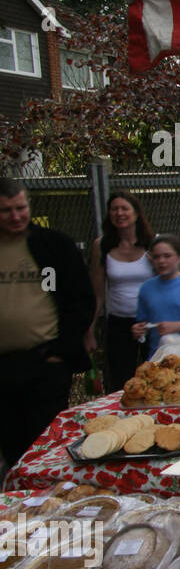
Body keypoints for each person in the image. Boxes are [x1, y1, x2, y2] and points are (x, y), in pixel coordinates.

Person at [0, 177, 94, 474]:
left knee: (46, 445)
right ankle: (18, 508)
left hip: (45, 362)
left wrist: (60, 352)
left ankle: (51, 500)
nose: (16, 216)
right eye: (6, 211)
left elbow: (81, 299)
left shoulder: (53, 245)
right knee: (12, 445)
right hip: (4, 366)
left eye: (21, 208)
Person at [89, 191, 155, 392]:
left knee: (155, 376)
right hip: (119, 322)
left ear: (136, 213)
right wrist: (90, 330)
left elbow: (170, 281)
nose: (119, 213)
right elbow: (98, 293)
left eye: (124, 208)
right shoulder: (101, 246)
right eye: (114, 209)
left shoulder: (153, 243)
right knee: (120, 382)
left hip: (151, 322)